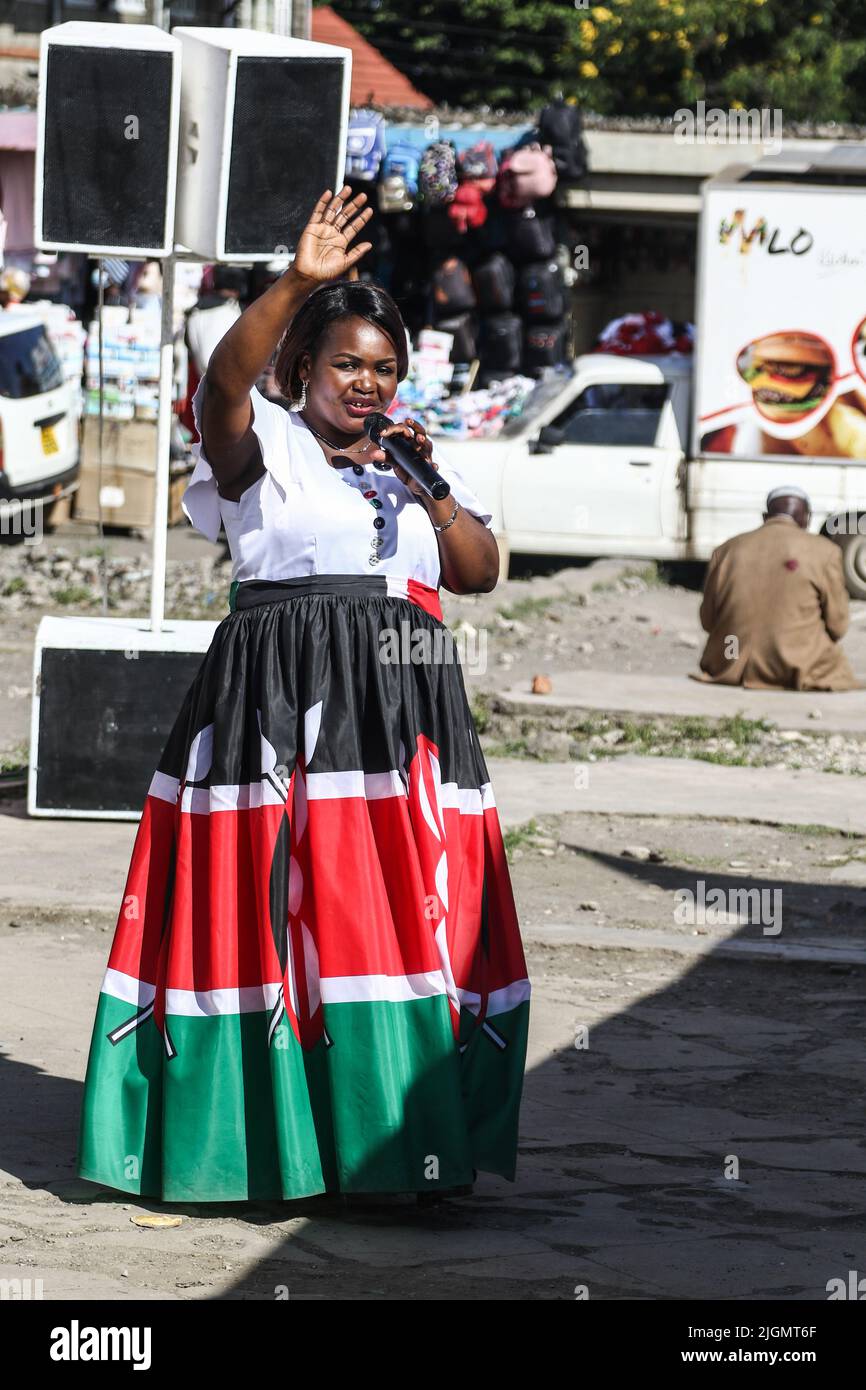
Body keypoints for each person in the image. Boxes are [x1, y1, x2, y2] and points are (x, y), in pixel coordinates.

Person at [76, 185, 530, 1205]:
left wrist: (434, 489)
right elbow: (219, 389)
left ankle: (398, 1148)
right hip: (281, 713)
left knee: (403, 932)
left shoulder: (414, 466)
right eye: (344, 365)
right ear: (304, 371)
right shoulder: (263, 446)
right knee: (277, 924)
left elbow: (476, 571)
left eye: (382, 367)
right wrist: (296, 282)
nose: (365, 383)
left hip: (406, 724)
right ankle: (268, 1149)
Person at [695, 485, 858, 690]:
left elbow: (708, 620)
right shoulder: (825, 551)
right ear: (807, 518)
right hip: (798, 667)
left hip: (730, 662)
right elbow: (838, 625)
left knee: (729, 644)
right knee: (836, 667)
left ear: (765, 516)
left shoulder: (727, 550)